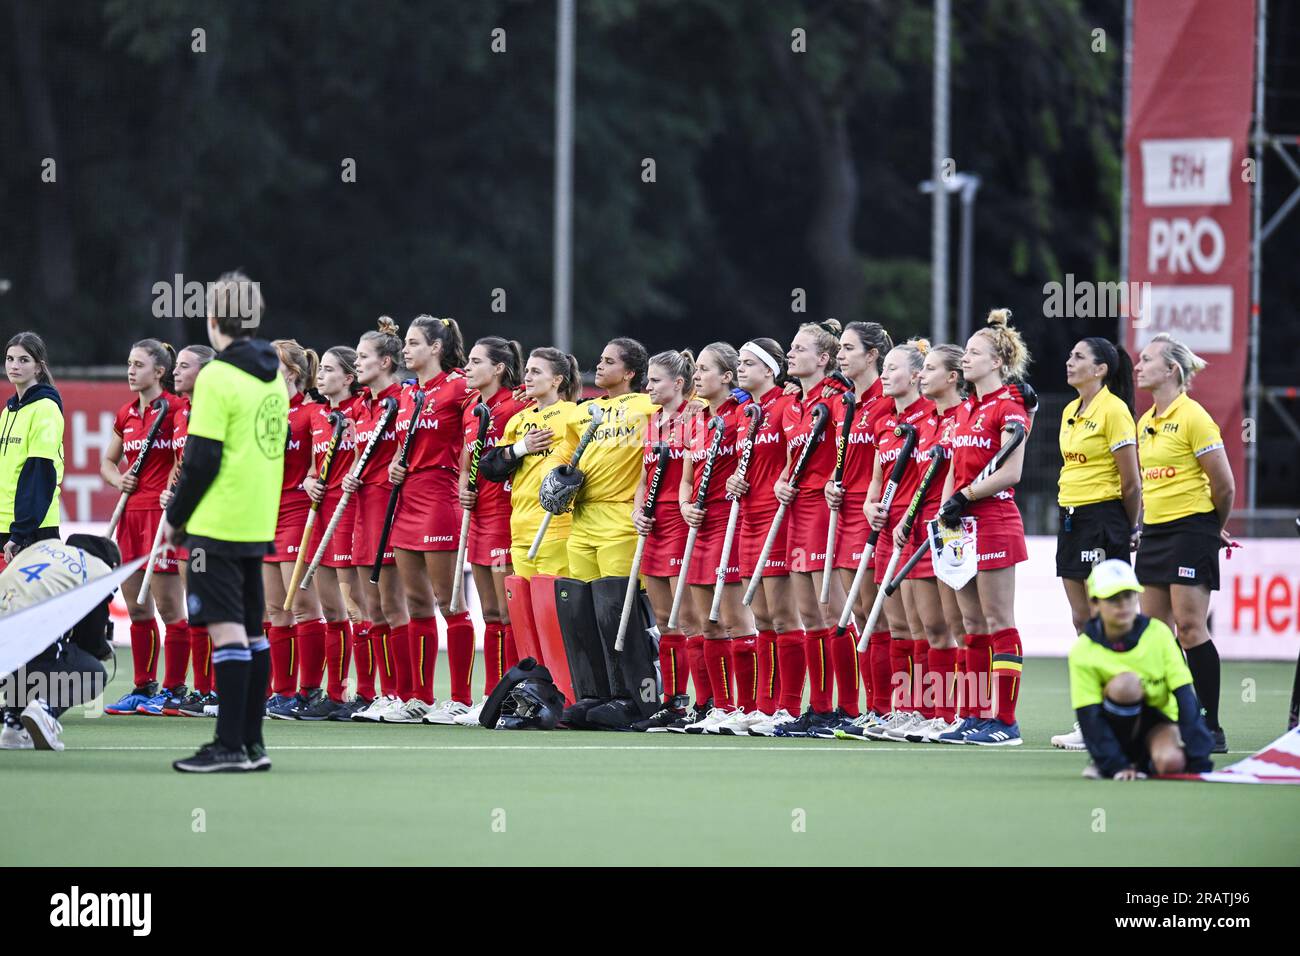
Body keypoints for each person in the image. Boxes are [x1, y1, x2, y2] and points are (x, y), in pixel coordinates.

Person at [163, 271, 288, 772]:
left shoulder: (217, 375)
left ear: (213, 319)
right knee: (253, 633)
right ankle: (252, 743)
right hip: (257, 519)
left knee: (227, 632)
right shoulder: (275, 373)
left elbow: (202, 459)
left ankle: (228, 745)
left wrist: (176, 517)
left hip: (217, 521)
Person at [934, 309, 1035, 746]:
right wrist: (943, 512)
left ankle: (1005, 721)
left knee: (997, 619)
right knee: (970, 624)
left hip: (993, 519)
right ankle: (974, 716)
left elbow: (1010, 472)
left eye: (975, 353)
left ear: (997, 362)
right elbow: (955, 471)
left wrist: (968, 497)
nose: (966, 360)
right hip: (959, 524)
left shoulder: (1009, 406)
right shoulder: (964, 410)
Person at [1132, 332, 1235, 753]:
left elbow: (1224, 485)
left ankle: (1210, 728)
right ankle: (1166, 721)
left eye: (1146, 360)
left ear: (1171, 369)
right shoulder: (1145, 421)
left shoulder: (1194, 416)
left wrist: (1211, 527)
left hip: (1191, 531)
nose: (1138, 366)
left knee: (1191, 628)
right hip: (1155, 533)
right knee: (1155, 635)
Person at [1050, 338, 1140, 751]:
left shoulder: (1115, 410)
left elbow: (1131, 480)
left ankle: (1114, 713)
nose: (1069, 362)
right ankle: (1091, 715)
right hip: (1071, 518)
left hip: (1102, 518)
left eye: (1078, 357)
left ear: (1101, 368)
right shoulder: (1071, 410)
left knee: (1107, 620)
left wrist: (1129, 526)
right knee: (1081, 620)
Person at [385, 315, 475, 725]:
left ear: (436, 347)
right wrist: (393, 469)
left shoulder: (459, 386)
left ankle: (459, 698)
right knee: (416, 605)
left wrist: (463, 476)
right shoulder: (407, 394)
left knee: (450, 603)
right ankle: (418, 698)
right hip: (406, 503)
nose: (406, 349)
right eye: (405, 342)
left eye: (414, 342)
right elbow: (401, 447)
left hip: (440, 501)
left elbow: (478, 431)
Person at [771, 320, 851, 737]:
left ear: (823, 359)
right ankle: (818, 709)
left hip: (824, 510)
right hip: (795, 512)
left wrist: (835, 485)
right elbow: (789, 458)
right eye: (790, 346)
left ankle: (850, 708)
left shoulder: (837, 399)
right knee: (808, 615)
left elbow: (845, 456)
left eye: (799, 348)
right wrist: (783, 480)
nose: (790, 353)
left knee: (832, 611)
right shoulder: (791, 404)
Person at [99, 339, 188, 717]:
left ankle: (174, 689)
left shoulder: (177, 409)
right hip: (130, 516)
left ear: (159, 372)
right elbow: (107, 461)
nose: (131, 370)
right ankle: (143, 686)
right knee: (137, 608)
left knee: (170, 608)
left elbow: (185, 457)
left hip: (162, 516)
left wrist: (173, 487)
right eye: (129, 363)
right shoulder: (126, 413)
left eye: (139, 364)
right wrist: (119, 482)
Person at [1068, 559, 1214, 780]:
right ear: (1095, 604)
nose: (1123, 605)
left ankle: (1143, 764)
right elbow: (1089, 716)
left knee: (1171, 763)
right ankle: (1113, 761)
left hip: (1157, 721)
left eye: (1129, 596)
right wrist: (1115, 764)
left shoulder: (1159, 634)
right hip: (1114, 723)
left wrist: (1199, 757)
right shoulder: (1083, 649)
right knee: (1126, 685)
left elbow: (1184, 696)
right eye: (1113, 599)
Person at [676, 343, 757, 734]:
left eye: (705, 370)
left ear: (727, 377)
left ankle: (751, 706)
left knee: (733, 620)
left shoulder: (742, 414)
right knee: (703, 624)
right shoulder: (695, 421)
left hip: (730, 522)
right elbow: (687, 478)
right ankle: (719, 707)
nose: (697, 376)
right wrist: (685, 504)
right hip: (699, 526)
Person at [725, 339, 801, 737]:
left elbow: (794, 458)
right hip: (748, 521)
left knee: (784, 616)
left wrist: (782, 482)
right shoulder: (743, 411)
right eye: (739, 362)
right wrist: (736, 481)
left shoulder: (787, 405)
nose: (741, 368)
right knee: (762, 618)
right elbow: (744, 463)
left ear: (770, 370)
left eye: (749, 363)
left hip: (777, 519)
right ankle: (765, 706)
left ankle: (788, 707)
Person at [823, 321, 894, 737]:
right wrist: (833, 485)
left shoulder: (888, 399)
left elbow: (887, 459)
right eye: (840, 349)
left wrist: (872, 497)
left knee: (876, 617)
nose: (841, 356)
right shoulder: (845, 402)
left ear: (872, 355)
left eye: (849, 349)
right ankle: (872, 708)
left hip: (875, 514)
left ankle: (886, 708)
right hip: (844, 512)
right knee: (858, 614)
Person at [453, 336, 528, 724]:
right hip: (478, 516)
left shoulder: (516, 407)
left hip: (505, 517)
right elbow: (467, 455)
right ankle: (490, 696)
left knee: (508, 613)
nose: (467, 366)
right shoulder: (471, 408)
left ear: (498, 368)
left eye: (477, 361)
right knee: (491, 614)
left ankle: (512, 697)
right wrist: (464, 483)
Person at [291, 345, 367, 720]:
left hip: (350, 515)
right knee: (330, 612)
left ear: (349, 379)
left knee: (355, 609)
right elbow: (309, 466)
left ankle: (365, 693)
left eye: (330, 370)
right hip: (320, 514)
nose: (320, 375)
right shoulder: (318, 416)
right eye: (320, 370)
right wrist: (308, 481)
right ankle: (334, 694)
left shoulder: (361, 410)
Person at [628, 350, 700, 731]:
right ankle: (672, 702)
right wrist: (638, 511)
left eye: (655, 381)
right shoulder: (653, 422)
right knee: (664, 622)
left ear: (678, 384)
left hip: (680, 523)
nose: (648, 386)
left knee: (685, 619)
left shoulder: (696, 417)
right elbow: (644, 478)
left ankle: (697, 702)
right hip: (653, 527)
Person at [0, 534, 121, 751]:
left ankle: (14, 725)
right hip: (24, 641)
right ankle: (45, 712)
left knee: (35, 656)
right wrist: (103, 649)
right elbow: (91, 637)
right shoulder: (98, 570)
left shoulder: (44, 546)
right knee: (92, 673)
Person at [345, 318, 409, 722]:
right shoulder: (360, 405)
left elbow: (409, 449)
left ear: (386, 361)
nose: (357, 363)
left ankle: (405, 694)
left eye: (364, 357)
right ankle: (387, 694)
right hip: (361, 511)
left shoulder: (403, 399)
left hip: (391, 509)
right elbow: (358, 455)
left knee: (393, 604)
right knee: (372, 609)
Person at [263, 340, 327, 719]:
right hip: (265, 515)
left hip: (297, 514)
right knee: (274, 610)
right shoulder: (263, 412)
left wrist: (311, 475)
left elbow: (323, 458)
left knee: (301, 606)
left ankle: (310, 691)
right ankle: (281, 692)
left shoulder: (311, 412)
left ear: (291, 372)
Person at [164, 344, 219, 718]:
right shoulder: (181, 413)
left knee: (216, 607)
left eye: (185, 366)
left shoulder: (217, 411)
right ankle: (201, 691)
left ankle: (218, 691)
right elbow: (181, 466)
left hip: (215, 524)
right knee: (195, 607)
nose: (175, 372)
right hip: (189, 526)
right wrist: (174, 491)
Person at [1, 332, 64, 561]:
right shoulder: (8, 412)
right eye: (10, 359)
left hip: (33, 528)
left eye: (23, 360)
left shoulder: (45, 408)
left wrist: (21, 532)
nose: (14, 366)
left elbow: (40, 473)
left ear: (39, 367)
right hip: (7, 525)